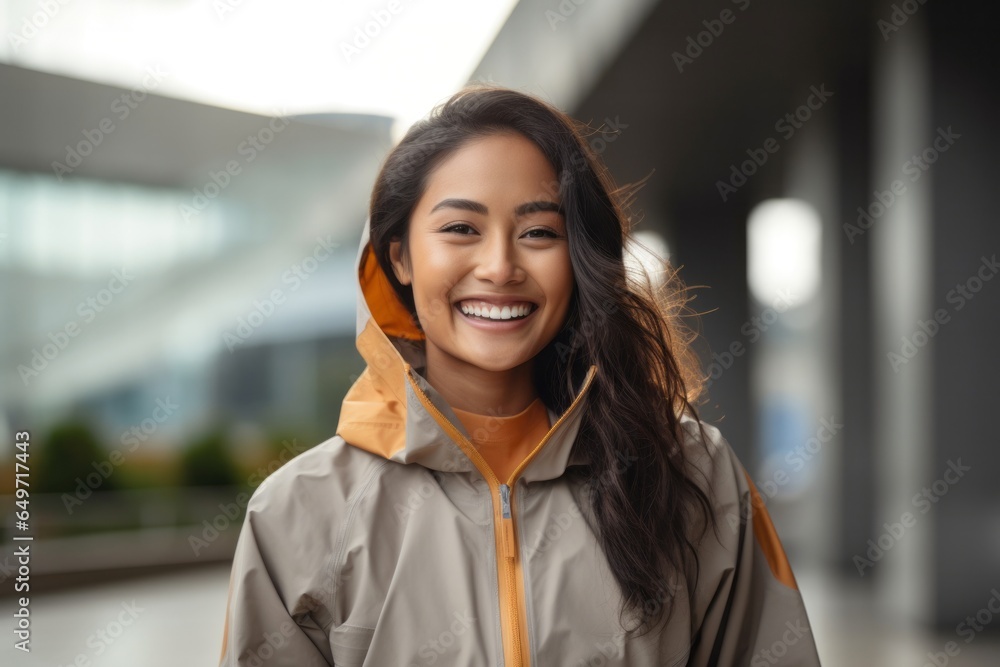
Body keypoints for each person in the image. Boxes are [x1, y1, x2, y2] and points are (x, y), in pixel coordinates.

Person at [218, 84, 822, 666]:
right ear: (398, 256)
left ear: (579, 257)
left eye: (539, 233)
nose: (501, 266)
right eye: (461, 229)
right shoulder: (299, 512)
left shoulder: (693, 473)